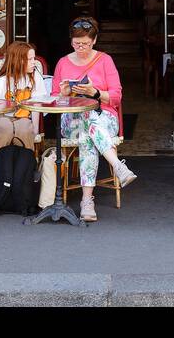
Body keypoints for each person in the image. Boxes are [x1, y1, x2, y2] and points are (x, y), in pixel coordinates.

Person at [53, 18, 135, 222]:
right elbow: (53, 102)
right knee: (84, 115)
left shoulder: (105, 60)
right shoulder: (63, 62)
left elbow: (116, 97)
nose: (81, 48)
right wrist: (63, 95)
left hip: (103, 116)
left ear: (94, 40)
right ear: (71, 41)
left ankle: (87, 201)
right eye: (76, 43)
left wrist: (95, 92)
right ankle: (117, 165)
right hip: (70, 118)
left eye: (86, 44)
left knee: (86, 132)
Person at [0, 41, 45, 150]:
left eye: (34, 58)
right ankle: (0, 159)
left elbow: (37, 104)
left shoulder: (35, 77)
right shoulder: (2, 81)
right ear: (18, 61)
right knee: (5, 130)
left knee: (24, 130)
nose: (34, 62)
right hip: (2, 117)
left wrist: (35, 130)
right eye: (30, 59)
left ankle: (25, 162)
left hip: (24, 118)